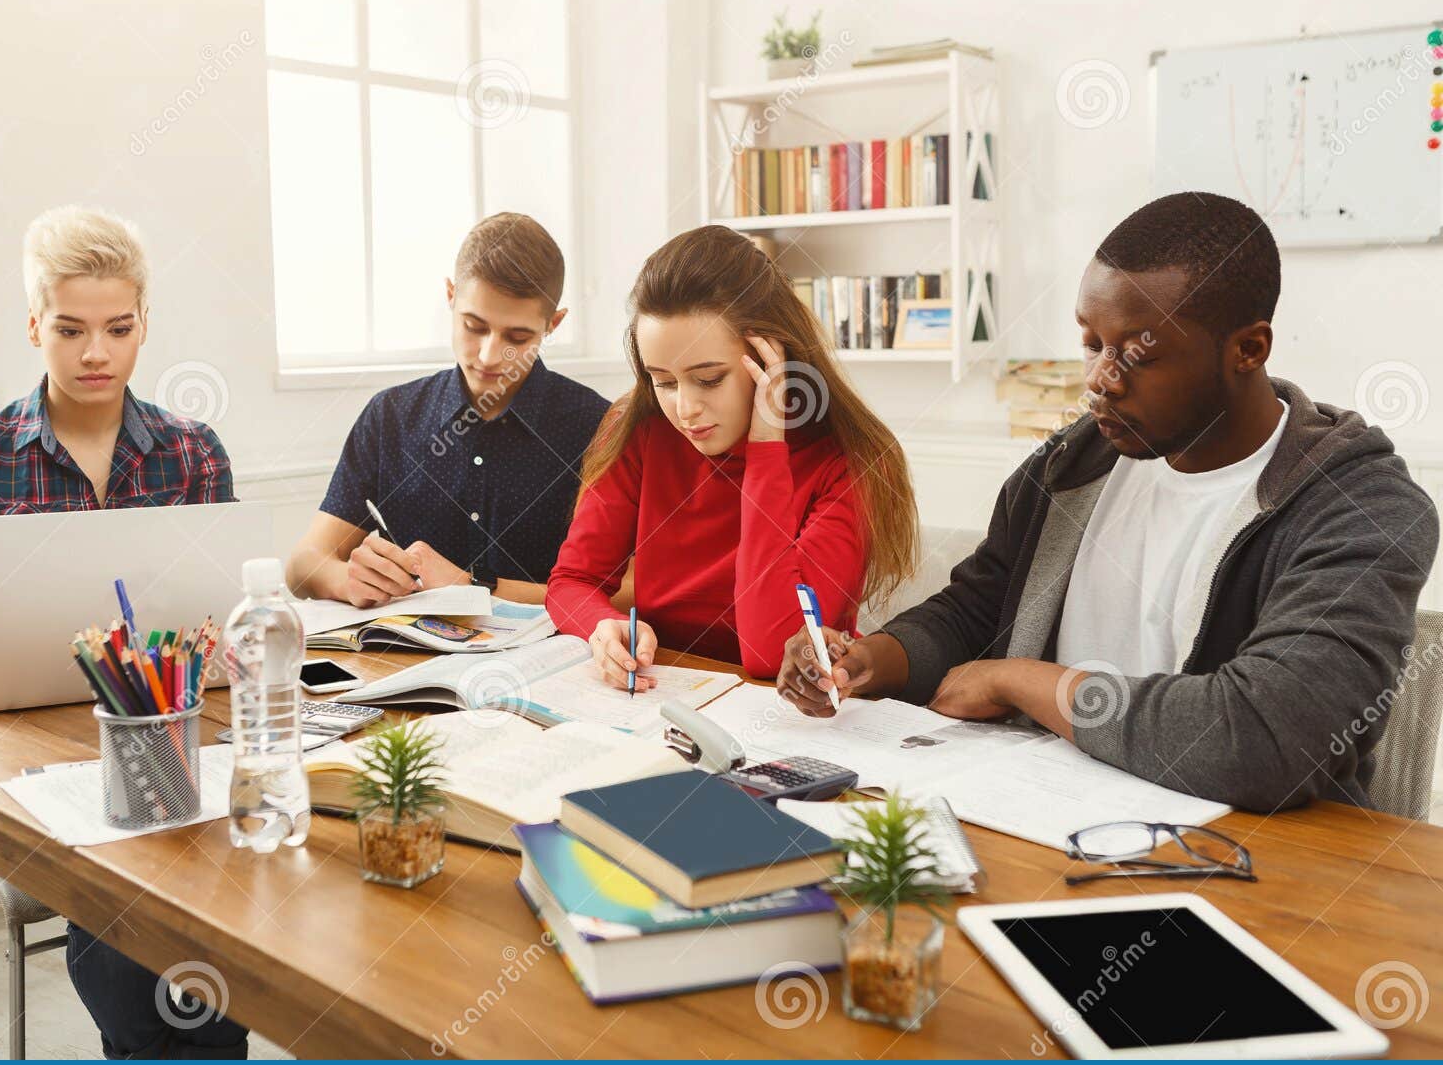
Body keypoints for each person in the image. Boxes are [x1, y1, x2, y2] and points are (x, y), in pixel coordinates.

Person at [776, 191, 1439, 813]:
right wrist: (872, 660)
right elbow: (978, 609)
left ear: (1248, 350)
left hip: (1254, 862)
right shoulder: (1074, 463)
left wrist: (1023, 683)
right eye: (1091, 343)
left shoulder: (1358, 507)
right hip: (1043, 813)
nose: (1099, 380)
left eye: (1137, 355)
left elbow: (1265, 740)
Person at [0, 205, 247, 1058]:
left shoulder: (194, 452)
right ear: (35, 326)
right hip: (40, 753)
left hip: (181, 736)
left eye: (118, 328)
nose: (95, 352)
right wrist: (54, 643)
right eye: (70, 329)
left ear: (145, 327)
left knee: (228, 891)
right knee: (140, 925)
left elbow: (219, 613)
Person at [546, 225, 918, 685]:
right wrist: (601, 627)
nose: (685, 408)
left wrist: (766, 450)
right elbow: (573, 581)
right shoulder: (640, 428)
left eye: (708, 379)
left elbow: (769, 654)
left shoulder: (851, 464)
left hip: (788, 709)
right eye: (662, 381)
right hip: (670, 689)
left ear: (768, 358)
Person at [287, 213, 609, 606]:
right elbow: (302, 566)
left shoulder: (596, 426)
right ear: (450, 295)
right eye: (474, 326)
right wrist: (346, 579)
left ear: (553, 325)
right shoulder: (390, 416)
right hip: (404, 659)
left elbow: (625, 594)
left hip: (550, 660)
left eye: (518, 336)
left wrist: (474, 586)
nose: (489, 356)